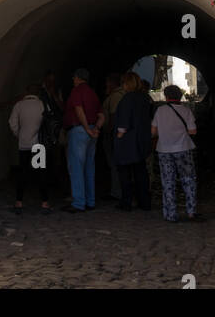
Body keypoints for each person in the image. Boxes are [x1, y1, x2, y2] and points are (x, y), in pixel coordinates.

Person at [151, 83, 198, 222]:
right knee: (188, 180)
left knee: (168, 182)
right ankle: (191, 211)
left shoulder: (160, 111)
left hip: (164, 150)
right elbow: (193, 131)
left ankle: (171, 214)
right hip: (183, 148)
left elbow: (153, 131)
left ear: (166, 97)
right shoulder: (186, 111)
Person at [62, 67, 104, 213]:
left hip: (80, 131)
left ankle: (79, 202)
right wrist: (95, 129)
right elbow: (101, 115)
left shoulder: (77, 91)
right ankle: (90, 201)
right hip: (92, 131)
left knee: (76, 167)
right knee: (89, 166)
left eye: (74, 77)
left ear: (79, 78)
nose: (73, 79)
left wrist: (86, 128)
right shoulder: (92, 93)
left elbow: (78, 110)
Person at [8, 83, 51, 214]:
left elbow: (12, 123)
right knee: (40, 173)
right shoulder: (42, 105)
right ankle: (44, 202)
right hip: (38, 144)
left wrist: (19, 134)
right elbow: (49, 121)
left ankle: (19, 202)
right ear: (38, 93)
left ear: (26, 91)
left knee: (22, 173)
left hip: (24, 144)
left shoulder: (19, 105)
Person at [114, 71, 153, 210]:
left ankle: (127, 202)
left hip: (127, 142)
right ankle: (144, 201)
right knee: (140, 173)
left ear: (127, 83)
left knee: (125, 173)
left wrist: (119, 135)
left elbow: (124, 121)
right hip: (141, 140)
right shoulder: (144, 98)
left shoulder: (127, 99)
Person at [101, 72, 125, 200]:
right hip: (118, 134)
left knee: (115, 164)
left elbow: (113, 116)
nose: (105, 85)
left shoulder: (116, 96)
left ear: (111, 83)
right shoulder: (121, 94)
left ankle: (117, 192)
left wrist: (109, 132)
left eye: (107, 82)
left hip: (114, 135)